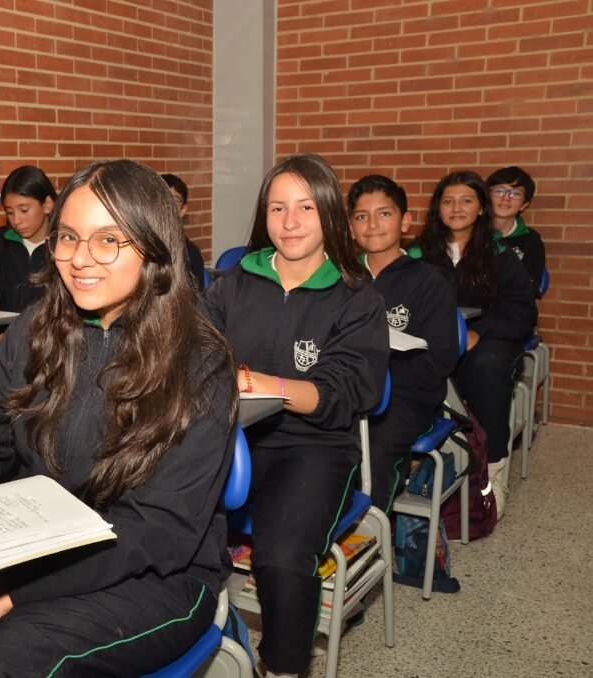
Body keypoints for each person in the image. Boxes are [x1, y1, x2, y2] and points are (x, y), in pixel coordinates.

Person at [0, 159, 238, 677]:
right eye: (69, 238)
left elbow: (157, 531)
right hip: (36, 545)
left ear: (154, 248)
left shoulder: (199, 360)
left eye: (107, 240)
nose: (79, 259)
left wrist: (9, 594)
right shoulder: (38, 328)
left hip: (158, 574)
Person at [206, 153, 388, 678]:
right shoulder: (234, 281)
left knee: (282, 559)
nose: (289, 223)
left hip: (310, 447)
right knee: (154, 525)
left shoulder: (356, 298)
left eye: (305, 208)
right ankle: (190, 637)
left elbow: (342, 393)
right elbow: (195, 350)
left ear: (329, 213)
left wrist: (269, 386)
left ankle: (283, 668)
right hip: (225, 439)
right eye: (277, 208)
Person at [410, 171, 537, 515]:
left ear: (481, 208)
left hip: (489, 340)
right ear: (438, 208)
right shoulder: (418, 254)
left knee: (487, 367)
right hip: (432, 339)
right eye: (448, 201)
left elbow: (522, 314)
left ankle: (492, 470)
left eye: (466, 201)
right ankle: (416, 462)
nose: (456, 208)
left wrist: (479, 331)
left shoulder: (500, 254)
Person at [347, 174, 459, 513]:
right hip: (347, 391)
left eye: (384, 214)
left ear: (405, 221)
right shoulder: (341, 279)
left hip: (405, 396)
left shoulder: (431, 281)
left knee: (376, 450)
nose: (372, 225)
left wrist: (380, 383)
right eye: (361, 216)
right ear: (351, 227)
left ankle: (367, 535)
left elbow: (440, 359)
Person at [0, 165, 57, 312]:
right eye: (10, 212)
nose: (16, 220)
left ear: (47, 205)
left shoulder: (64, 244)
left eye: (24, 210)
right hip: (11, 331)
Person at [486, 166, 545, 297]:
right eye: (499, 191)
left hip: (511, 309)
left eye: (516, 193)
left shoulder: (531, 241)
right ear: (487, 197)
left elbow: (530, 287)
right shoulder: (469, 233)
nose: (506, 198)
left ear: (524, 204)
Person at [161, 172, 208, 290]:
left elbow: (195, 299)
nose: (169, 206)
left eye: (176, 201)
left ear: (183, 210)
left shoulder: (191, 253)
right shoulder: (140, 246)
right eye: (163, 198)